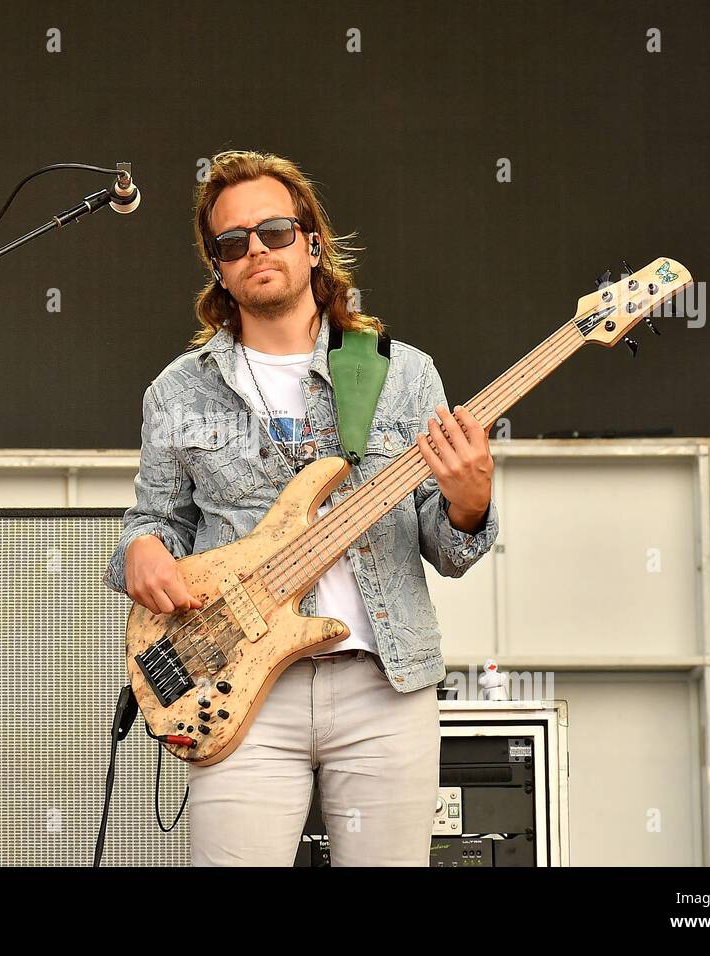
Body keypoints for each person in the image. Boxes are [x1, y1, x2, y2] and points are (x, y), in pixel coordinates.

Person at [103, 149, 498, 866]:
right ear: (218, 268)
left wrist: (470, 506)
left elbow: (448, 548)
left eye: (276, 231)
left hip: (383, 684)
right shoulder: (176, 392)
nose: (256, 249)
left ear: (313, 244)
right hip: (240, 686)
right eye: (233, 242)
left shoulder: (400, 373)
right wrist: (140, 549)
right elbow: (153, 520)